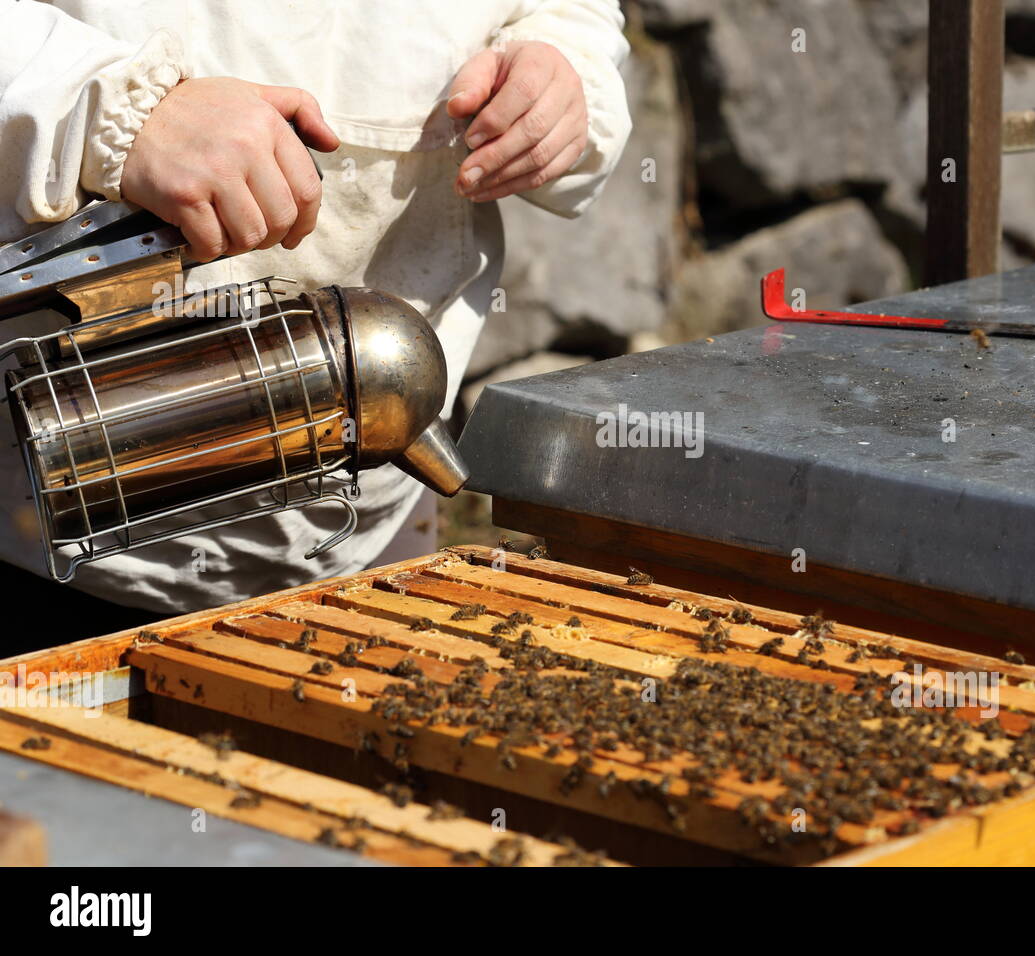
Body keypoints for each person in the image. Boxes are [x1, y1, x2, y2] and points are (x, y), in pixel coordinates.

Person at [0, 1, 632, 644]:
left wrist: (558, 66)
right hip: (44, 527)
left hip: (374, 526)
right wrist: (101, 103)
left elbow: (569, 12)